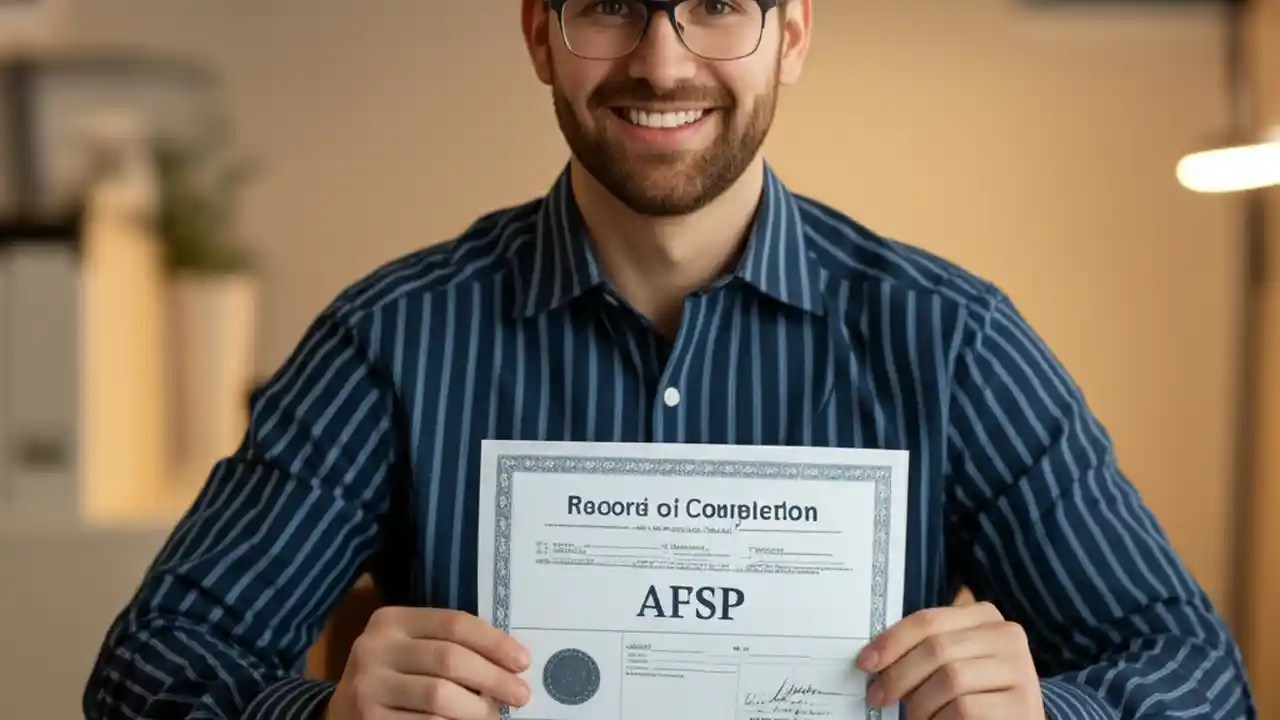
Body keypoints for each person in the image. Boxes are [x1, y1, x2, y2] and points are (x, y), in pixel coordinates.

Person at [84, 0, 1255, 718]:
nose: (660, 60)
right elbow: (147, 675)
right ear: (538, 31)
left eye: (714, 3)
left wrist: (1045, 713)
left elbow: (1196, 676)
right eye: (609, 4)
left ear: (789, 34)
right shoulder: (389, 340)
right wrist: (323, 713)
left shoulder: (949, 342)